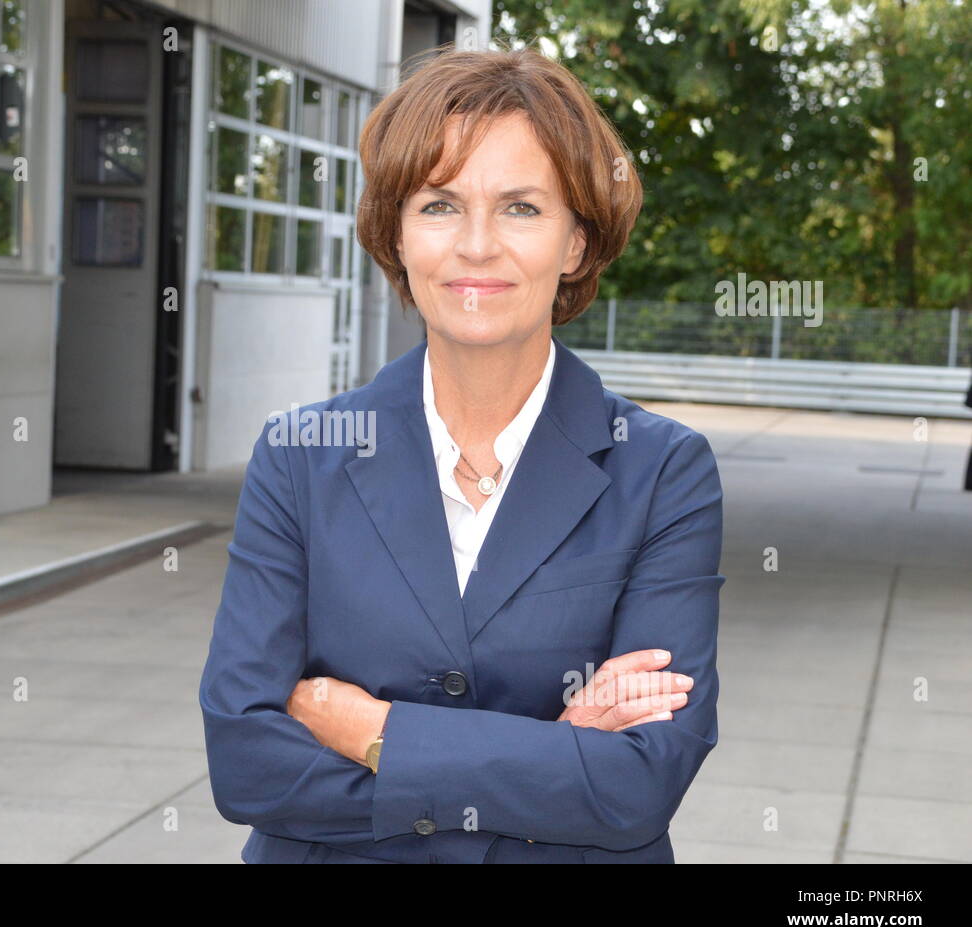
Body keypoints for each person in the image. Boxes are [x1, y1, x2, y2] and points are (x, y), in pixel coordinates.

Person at [198, 47, 725, 863]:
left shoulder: (662, 471)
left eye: (520, 208)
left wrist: (371, 730)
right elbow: (247, 764)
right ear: (397, 235)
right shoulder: (300, 455)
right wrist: (550, 760)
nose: (477, 246)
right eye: (439, 206)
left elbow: (635, 785)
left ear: (577, 244)